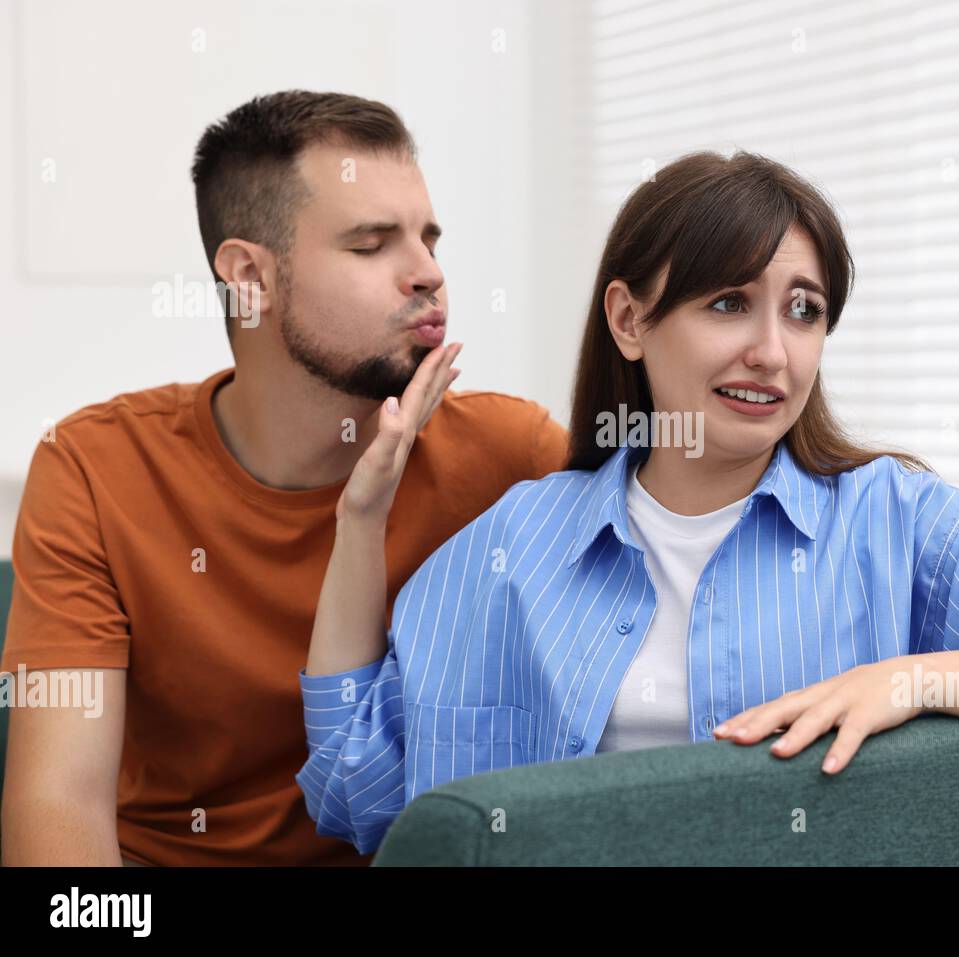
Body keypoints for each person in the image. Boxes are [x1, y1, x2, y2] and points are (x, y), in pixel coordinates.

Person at [297, 150, 959, 856]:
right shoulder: (516, 542)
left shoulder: (895, 523)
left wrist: (919, 681)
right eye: (729, 303)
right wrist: (359, 523)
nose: (774, 351)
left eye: (804, 309)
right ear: (630, 319)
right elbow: (356, 790)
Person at [0, 91, 568, 866]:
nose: (429, 273)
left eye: (428, 239)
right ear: (249, 277)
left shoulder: (513, 454)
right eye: (372, 245)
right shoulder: (94, 468)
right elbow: (57, 806)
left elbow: (709, 564)